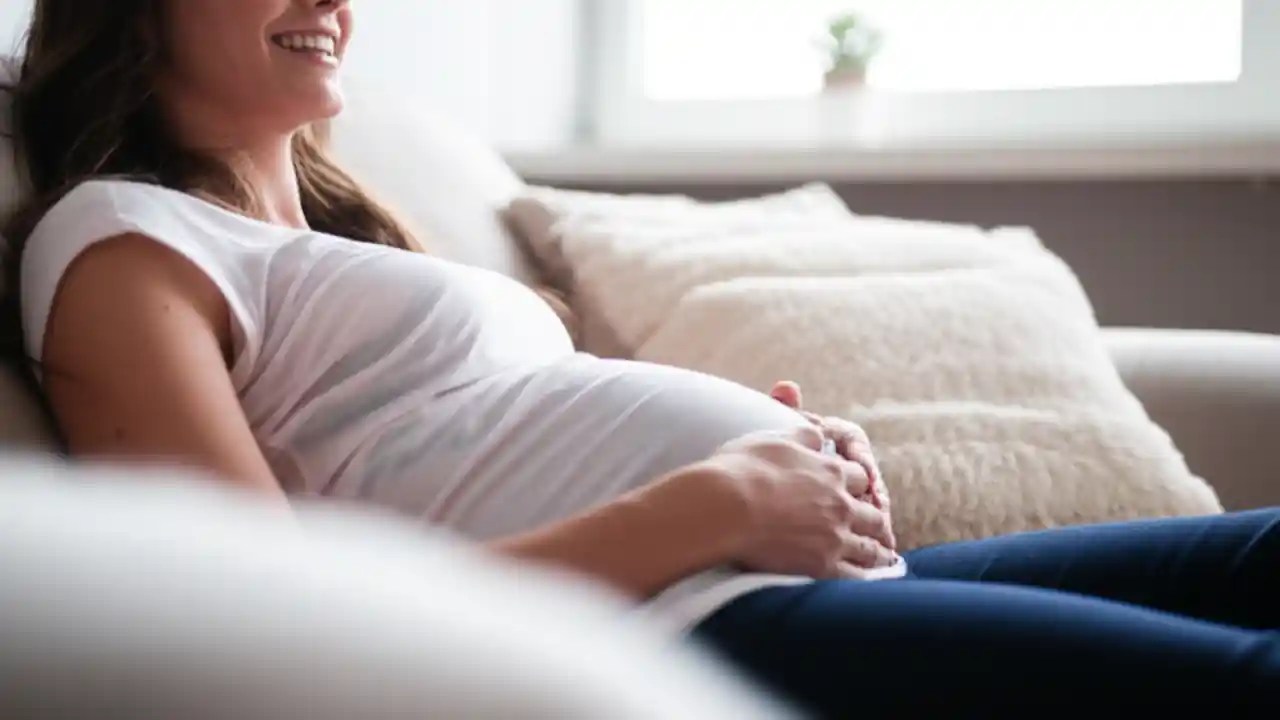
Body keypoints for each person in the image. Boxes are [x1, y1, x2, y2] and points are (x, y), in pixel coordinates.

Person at [1, 1, 1275, 715]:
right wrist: (714, 498)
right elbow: (266, 624)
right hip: (694, 626)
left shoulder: (343, 237)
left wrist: (772, 453)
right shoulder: (121, 238)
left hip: (782, 570)